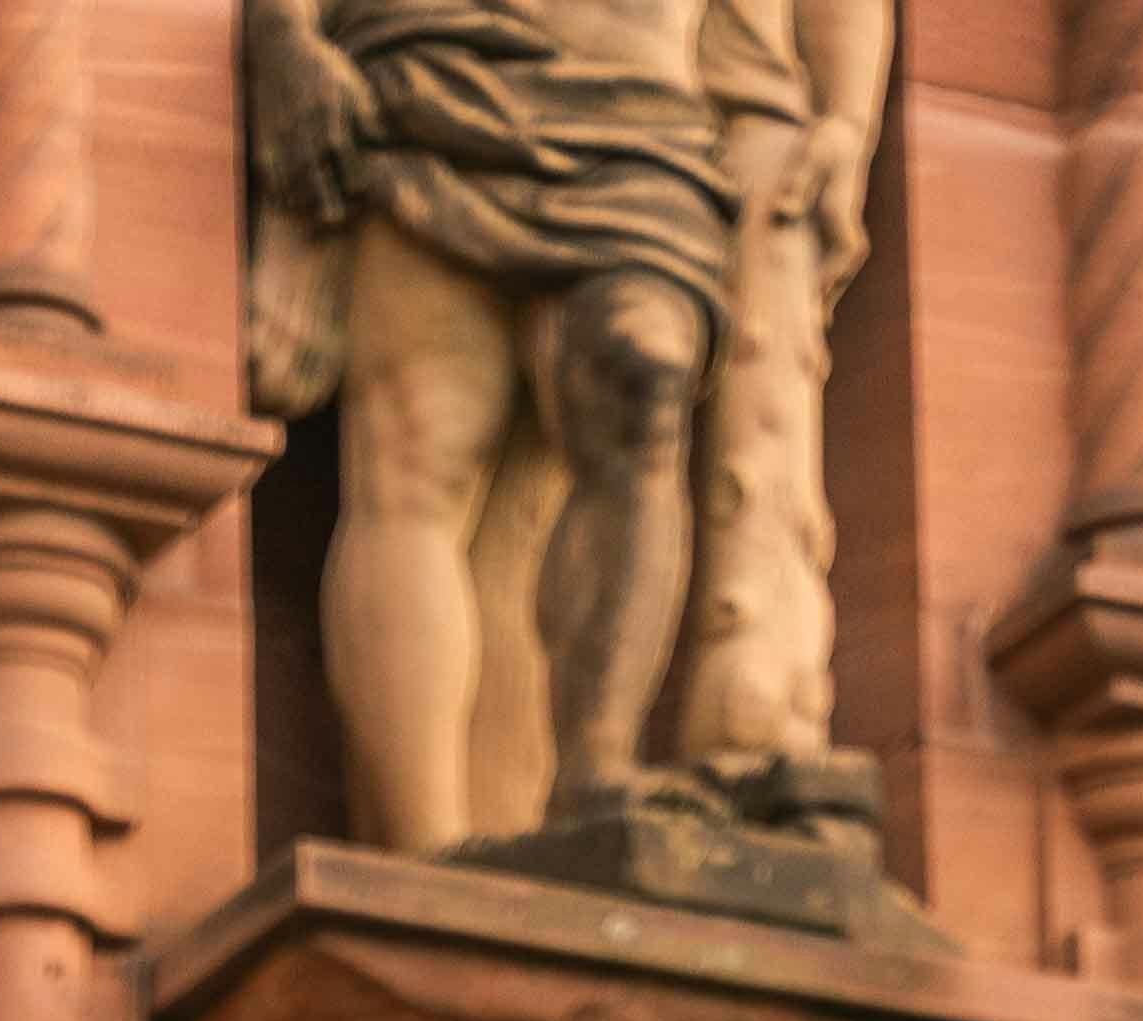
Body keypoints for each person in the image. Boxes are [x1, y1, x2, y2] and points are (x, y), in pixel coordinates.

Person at [245, 0, 888, 864]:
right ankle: (424, 851)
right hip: (433, 70)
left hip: (643, 113)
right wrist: (281, 34)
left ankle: (596, 768)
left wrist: (846, 112)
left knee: (643, 386)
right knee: (414, 454)